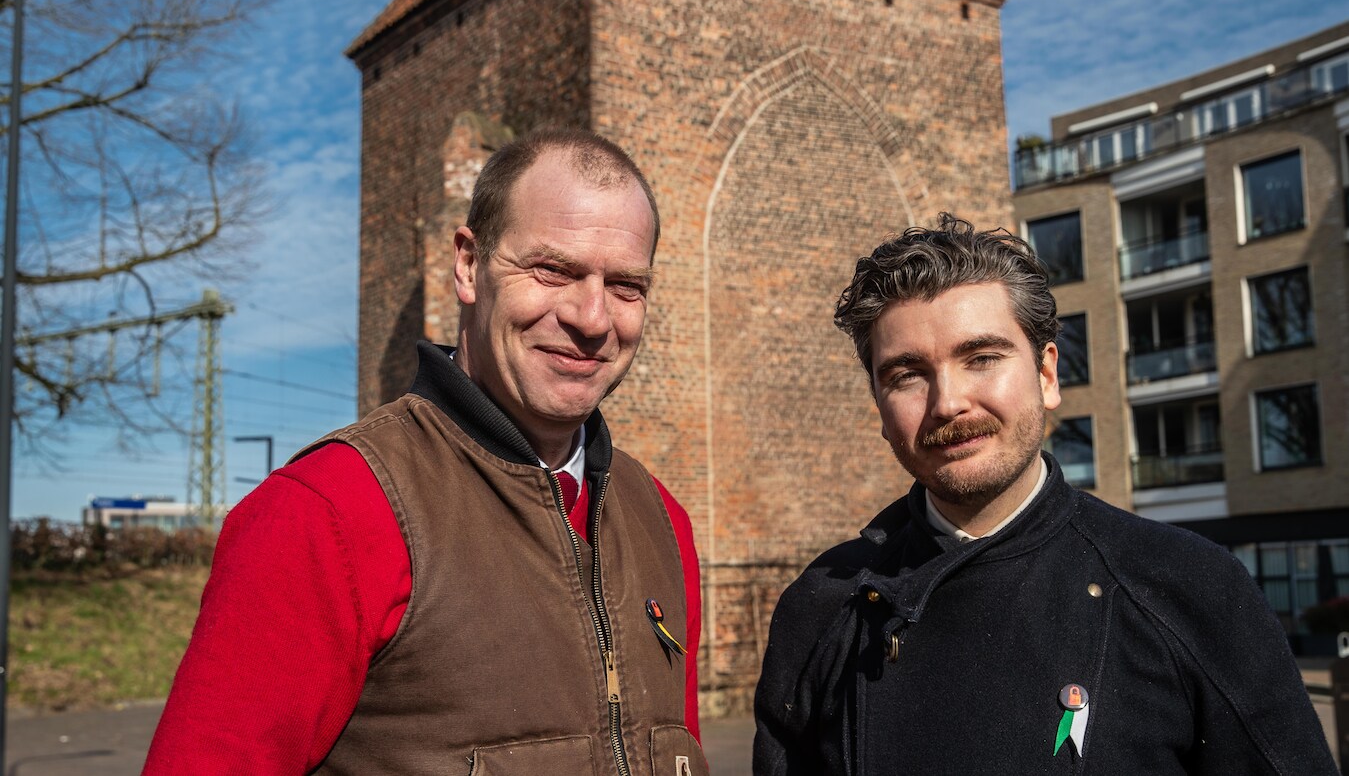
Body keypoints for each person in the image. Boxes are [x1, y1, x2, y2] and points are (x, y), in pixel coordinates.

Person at [146, 128, 707, 775]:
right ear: (468, 265)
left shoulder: (662, 522)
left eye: (626, 286)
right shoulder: (328, 512)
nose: (592, 316)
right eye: (553, 269)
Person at [753, 214, 1336, 775]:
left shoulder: (1188, 589)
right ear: (879, 407)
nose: (948, 402)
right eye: (907, 375)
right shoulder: (823, 609)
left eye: (981, 358)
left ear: (1047, 374)